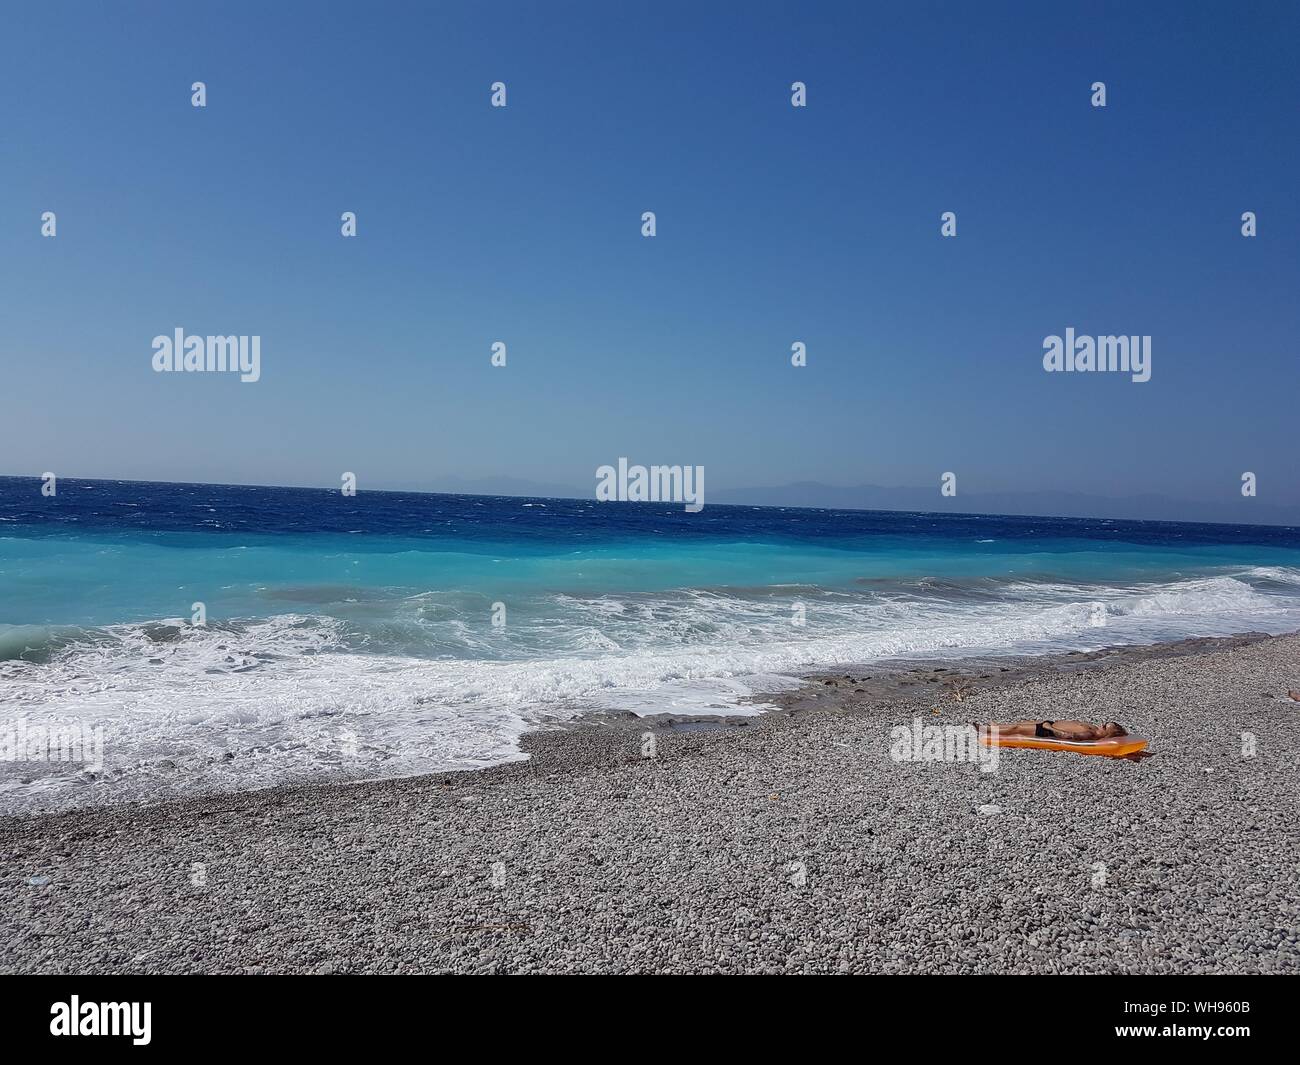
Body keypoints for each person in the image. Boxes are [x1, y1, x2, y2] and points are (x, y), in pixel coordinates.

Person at [986, 719, 1127, 742]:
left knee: (1016, 729)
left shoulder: (1089, 734)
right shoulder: (1095, 729)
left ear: (1108, 734)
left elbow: (1067, 736)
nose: (1101, 724)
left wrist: (1048, 727)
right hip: (1051, 723)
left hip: (1048, 730)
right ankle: (996, 727)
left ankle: (986, 731)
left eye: (1105, 727)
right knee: (1020, 723)